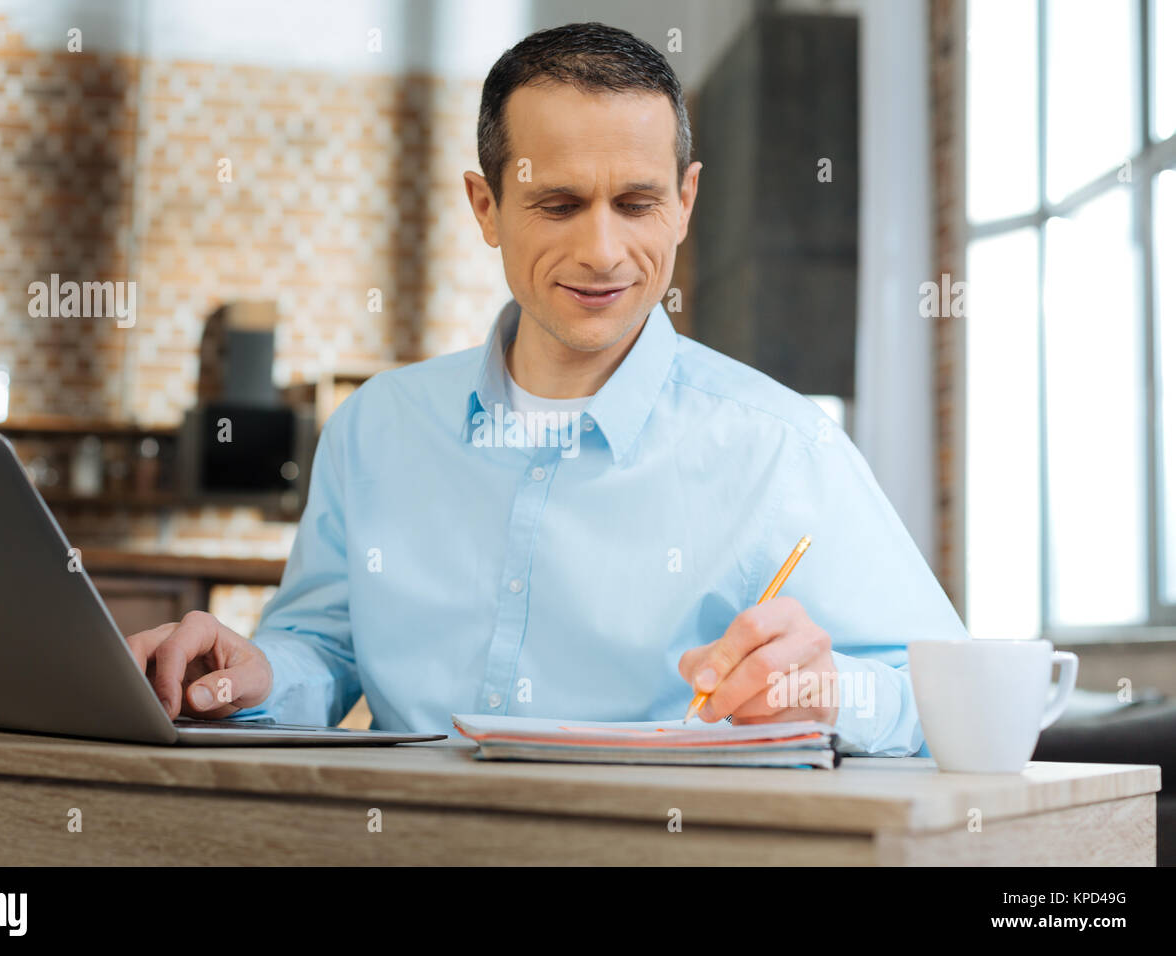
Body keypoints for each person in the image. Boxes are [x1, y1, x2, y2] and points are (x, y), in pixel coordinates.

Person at [127, 21, 969, 756]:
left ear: (685, 201)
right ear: (487, 207)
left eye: (636, 203)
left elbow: (945, 703)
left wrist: (831, 694)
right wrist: (261, 671)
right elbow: (323, 646)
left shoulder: (784, 448)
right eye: (559, 204)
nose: (603, 251)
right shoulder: (375, 428)